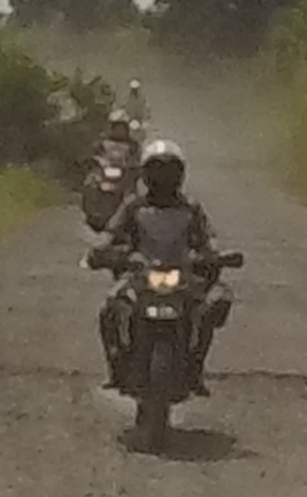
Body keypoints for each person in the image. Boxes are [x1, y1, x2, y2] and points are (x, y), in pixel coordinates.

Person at [93, 139, 228, 391]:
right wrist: (104, 250)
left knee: (211, 305)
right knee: (109, 309)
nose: (163, 178)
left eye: (168, 172)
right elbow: (111, 232)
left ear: (180, 174)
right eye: (157, 171)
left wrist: (214, 255)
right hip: (139, 275)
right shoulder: (134, 205)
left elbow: (209, 238)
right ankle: (116, 366)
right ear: (145, 173)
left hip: (182, 275)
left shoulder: (191, 208)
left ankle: (195, 366)